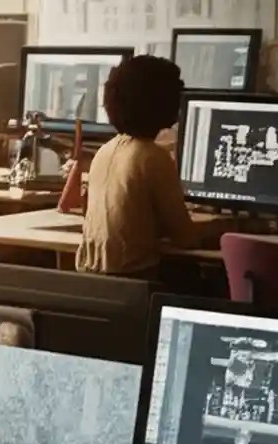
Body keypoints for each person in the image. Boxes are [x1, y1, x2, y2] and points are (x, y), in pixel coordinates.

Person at [77, 55, 197, 278]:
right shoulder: (153, 158)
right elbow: (186, 237)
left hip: (94, 282)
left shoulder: (104, 152)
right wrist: (233, 226)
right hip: (137, 282)